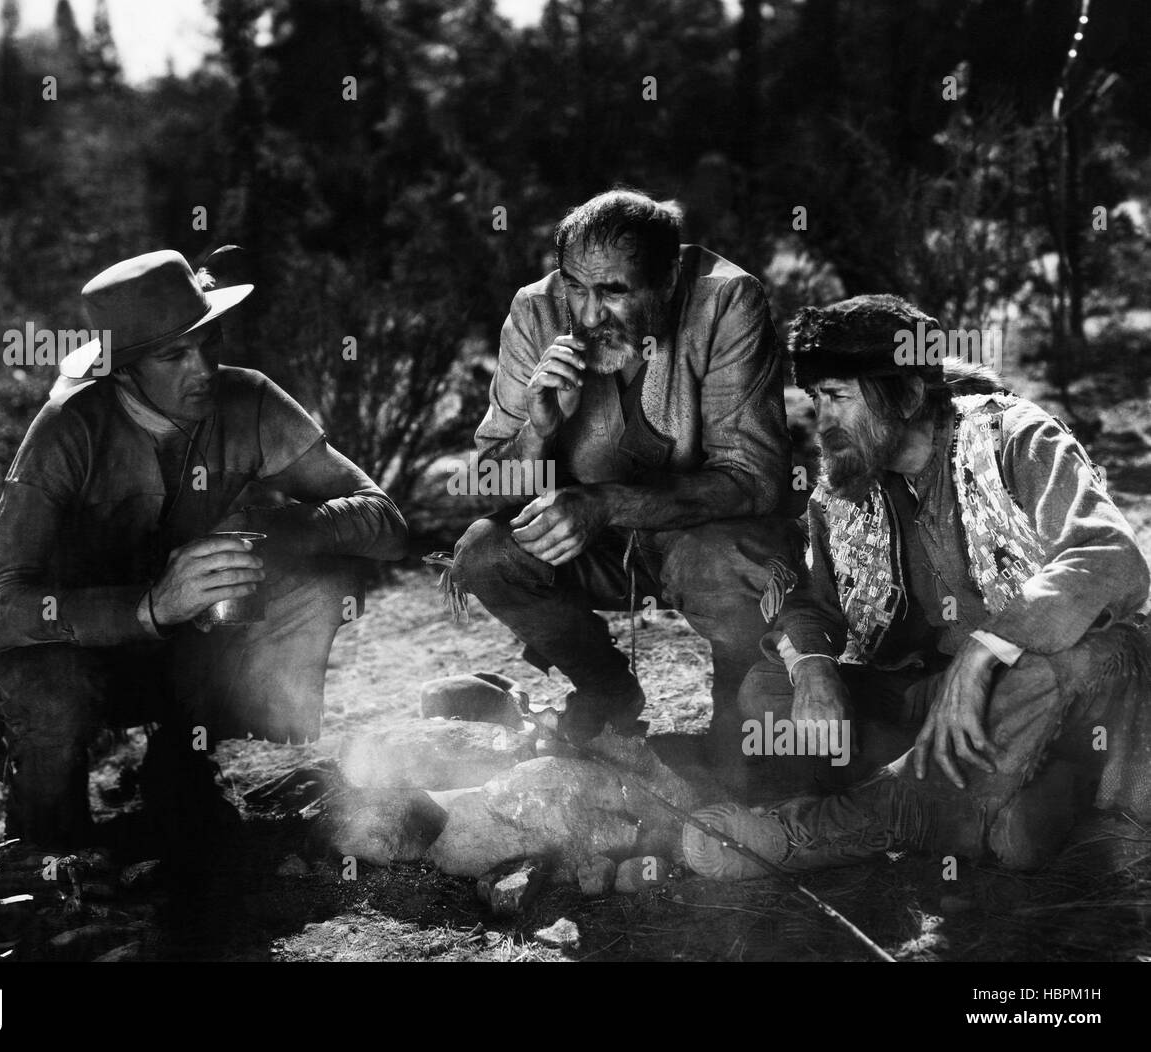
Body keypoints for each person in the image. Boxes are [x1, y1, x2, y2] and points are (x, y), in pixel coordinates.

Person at [690, 294, 1151, 879]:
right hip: (937, 703)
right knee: (768, 694)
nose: (821, 423)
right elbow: (811, 603)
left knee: (1063, 667)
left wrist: (984, 651)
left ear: (907, 396)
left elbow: (1114, 559)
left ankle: (847, 825)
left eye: (837, 399)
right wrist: (812, 666)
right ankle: (989, 808)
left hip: (1048, 683)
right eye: (815, 399)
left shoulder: (1015, 438)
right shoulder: (844, 486)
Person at [0, 248, 407, 851]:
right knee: (50, 698)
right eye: (173, 355)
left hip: (189, 651)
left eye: (207, 341)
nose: (201, 368)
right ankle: (46, 839)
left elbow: (384, 520)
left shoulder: (248, 399)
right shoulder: (69, 428)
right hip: (74, 656)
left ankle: (181, 766)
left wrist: (276, 533)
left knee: (322, 583)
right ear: (123, 370)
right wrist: (147, 607)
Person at [450, 189, 799, 742]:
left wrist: (607, 503)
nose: (589, 315)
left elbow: (754, 479)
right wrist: (537, 430)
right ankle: (605, 690)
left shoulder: (727, 300)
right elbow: (487, 489)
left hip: (698, 536)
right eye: (576, 287)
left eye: (614, 291)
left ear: (668, 280)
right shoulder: (535, 311)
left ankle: (738, 722)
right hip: (594, 546)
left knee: (731, 560)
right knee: (486, 554)